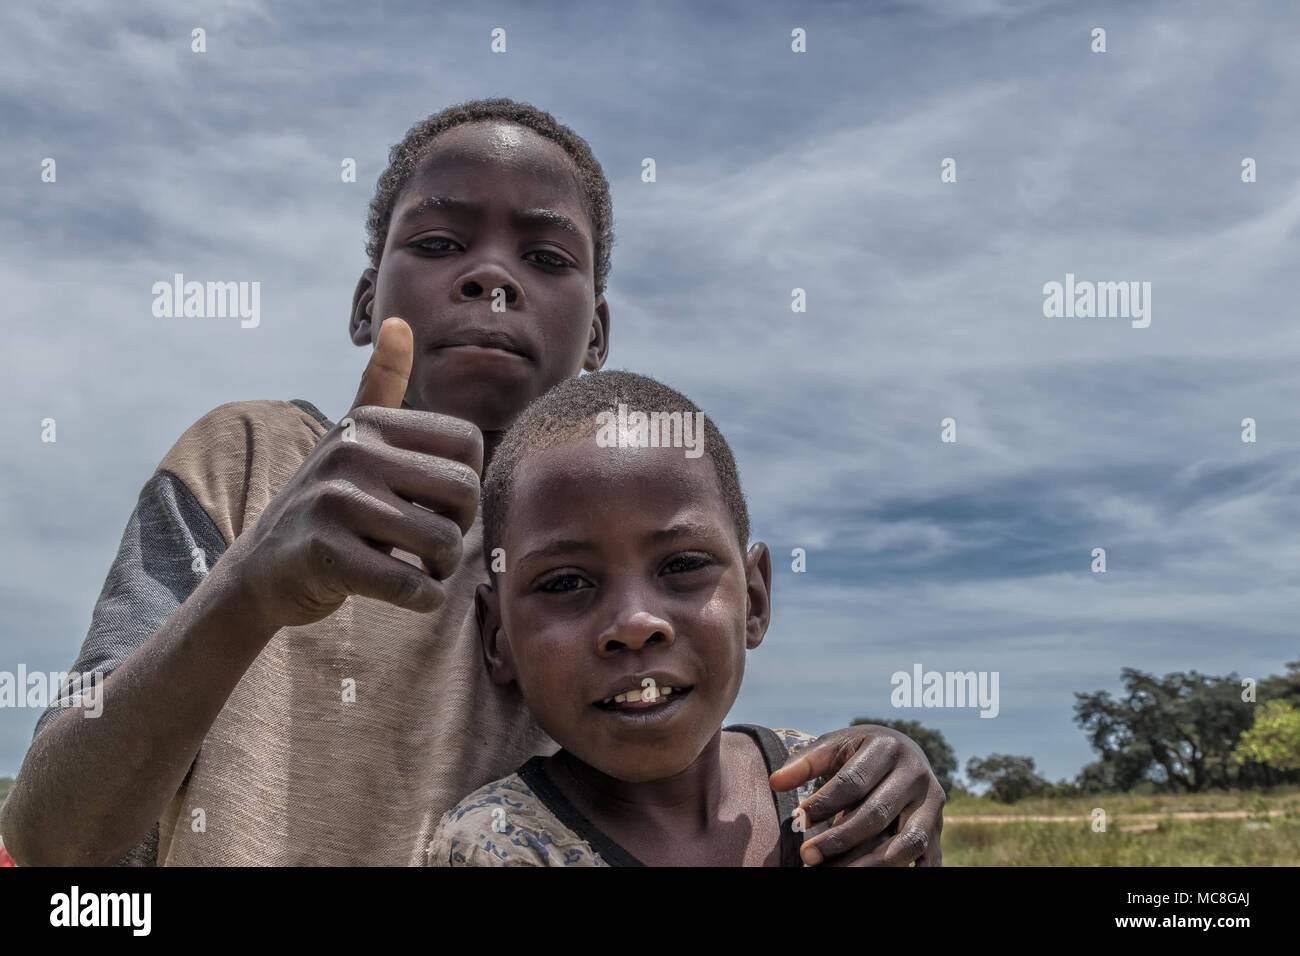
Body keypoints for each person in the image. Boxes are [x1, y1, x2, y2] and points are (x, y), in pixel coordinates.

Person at [0, 99, 943, 867]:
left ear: (599, 332)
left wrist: (873, 771)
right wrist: (249, 589)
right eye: (442, 243)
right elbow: (52, 843)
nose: (492, 277)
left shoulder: (630, 528)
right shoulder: (248, 461)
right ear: (368, 301)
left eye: (545, 257)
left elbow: (703, 788)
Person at [432, 370, 831, 866]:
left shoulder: (831, 789)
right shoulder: (499, 843)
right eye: (565, 583)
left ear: (755, 598)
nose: (635, 623)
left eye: (683, 566)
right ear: (498, 637)